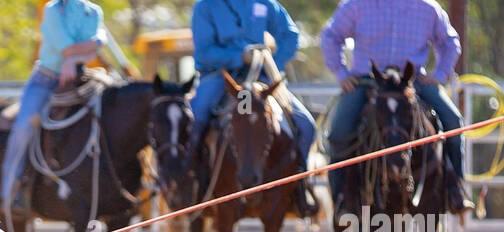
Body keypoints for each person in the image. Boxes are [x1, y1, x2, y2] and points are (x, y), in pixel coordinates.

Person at [320, 0, 473, 213]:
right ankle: (342, 198)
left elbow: (449, 42)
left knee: (453, 122)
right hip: (367, 81)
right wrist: (341, 73)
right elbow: (331, 35)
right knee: (339, 131)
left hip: (412, 82)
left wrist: (439, 74)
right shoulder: (357, 4)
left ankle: (455, 189)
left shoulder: (427, 8)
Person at [188, 0, 317, 215]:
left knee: (306, 125)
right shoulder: (206, 6)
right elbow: (203, 52)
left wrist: (273, 61)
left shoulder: (264, 3)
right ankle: (194, 188)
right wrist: (239, 56)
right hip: (220, 77)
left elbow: (290, 35)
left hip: (262, 76)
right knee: (194, 120)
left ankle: (300, 187)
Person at [0, 0, 106, 226]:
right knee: (23, 127)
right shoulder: (52, 10)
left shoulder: (93, 11)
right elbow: (73, 47)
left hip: (80, 79)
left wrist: (75, 58)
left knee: (106, 118)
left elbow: (85, 51)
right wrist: (94, 42)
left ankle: (101, 185)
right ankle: (10, 191)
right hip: (45, 81)